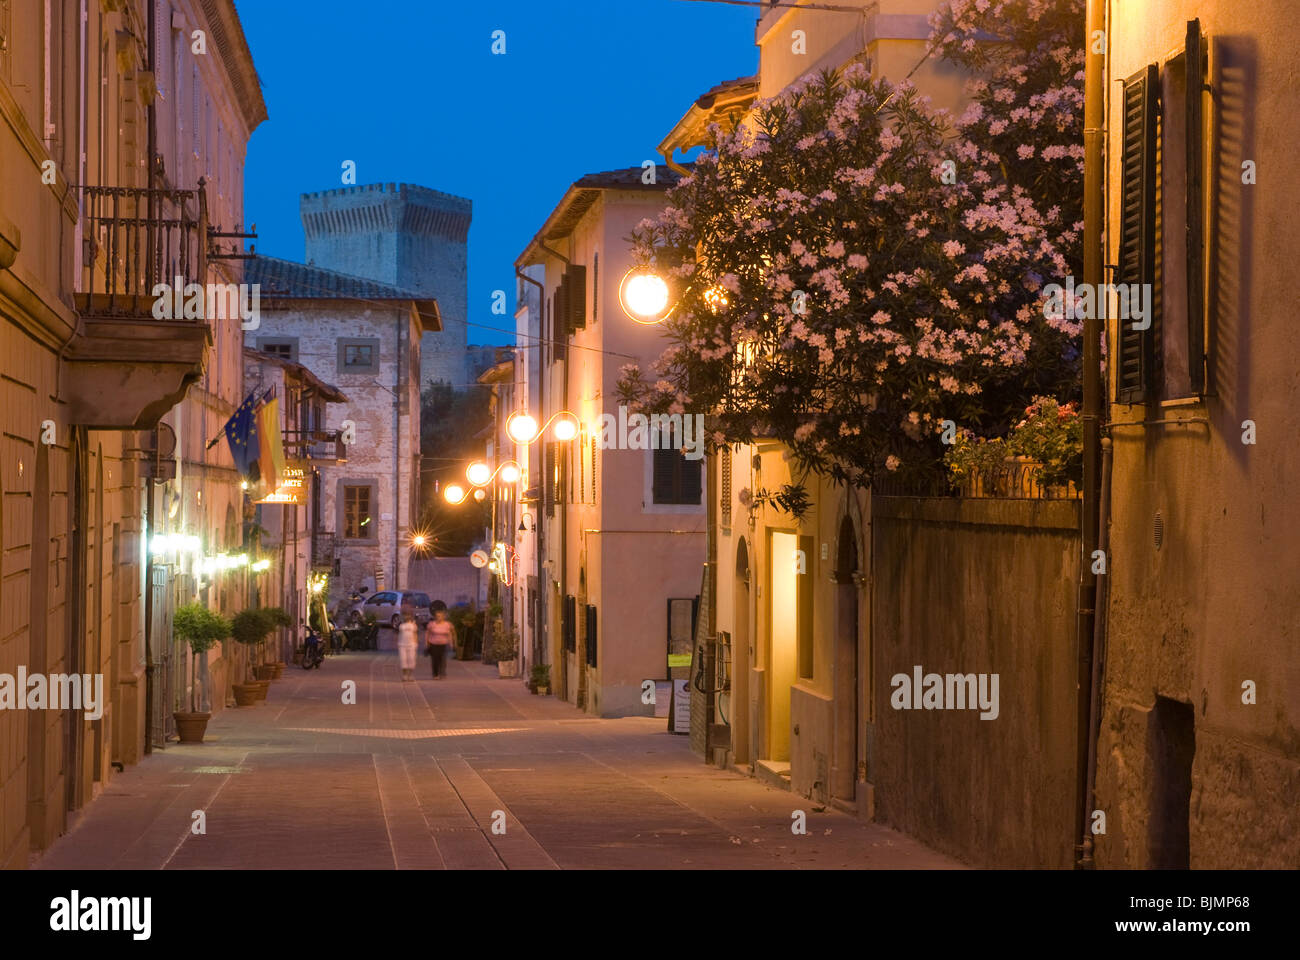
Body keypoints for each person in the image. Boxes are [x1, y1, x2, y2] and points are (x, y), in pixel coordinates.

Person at [425, 607, 454, 679]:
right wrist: (427, 642)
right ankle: (435, 674)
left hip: (443, 644)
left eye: (440, 616)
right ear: (435, 617)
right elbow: (427, 633)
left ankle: (442, 672)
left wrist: (451, 642)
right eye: (437, 616)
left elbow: (450, 634)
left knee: (442, 659)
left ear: (443, 617)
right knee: (435, 659)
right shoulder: (432, 624)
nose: (439, 618)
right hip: (433, 644)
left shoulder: (447, 624)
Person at [397, 613, 418, 681]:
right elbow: (400, 634)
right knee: (403, 660)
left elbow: (415, 634)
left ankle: (410, 675)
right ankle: (404, 675)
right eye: (405, 616)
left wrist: (416, 643)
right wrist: (398, 643)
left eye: (408, 616)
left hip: (411, 645)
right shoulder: (401, 626)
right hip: (402, 645)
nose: (406, 617)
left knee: (411, 660)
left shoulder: (413, 625)